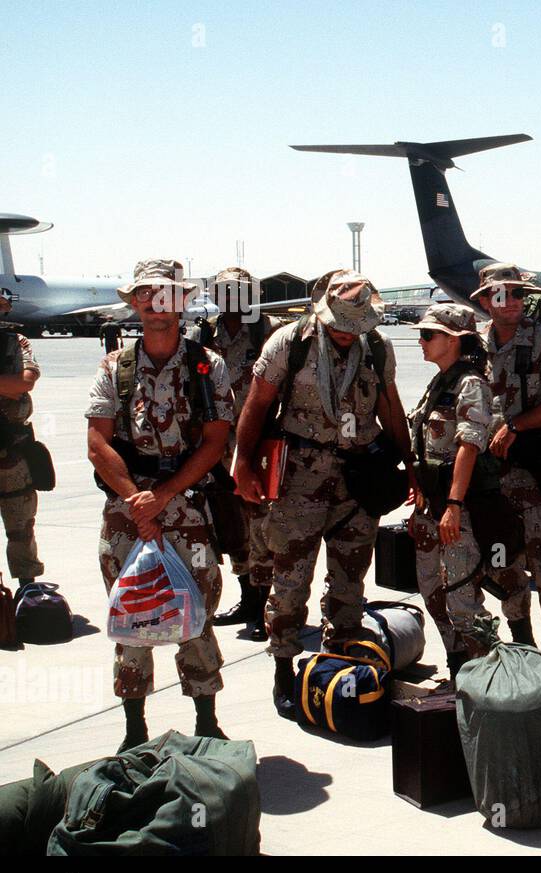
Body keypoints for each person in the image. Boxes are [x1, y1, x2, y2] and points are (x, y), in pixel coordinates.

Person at [233, 269, 413, 717]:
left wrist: (408, 463)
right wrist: (243, 464)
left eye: (357, 326)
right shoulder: (289, 342)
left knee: (351, 575)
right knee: (291, 576)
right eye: (341, 325)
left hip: (360, 476)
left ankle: (340, 656)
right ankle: (282, 664)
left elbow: (391, 407)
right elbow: (258, 403)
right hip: (300, 478)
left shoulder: (375, 346)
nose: (348, 334)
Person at [87, 259, 233, 750]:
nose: (157, 306)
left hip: (186, 507)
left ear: (183, 303)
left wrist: (165, 496)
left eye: (169, 296)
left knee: (196, 616)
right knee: (132, 615)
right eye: (147, 296)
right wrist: (137, 500)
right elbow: (97, 444)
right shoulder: (113, 368)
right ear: (134, 303)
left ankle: (206, 722)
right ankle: (135, 730)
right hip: (129, 514)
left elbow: (215, 443)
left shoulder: (207, 366)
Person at [471, 262, 541, 645]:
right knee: (503, 566)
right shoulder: (473, 344)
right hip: (490, 476)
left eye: (519, 293)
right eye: (503, 294)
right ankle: (524, 646)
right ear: (486, 301)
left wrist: (516, 425)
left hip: (533, 472)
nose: (514, 301)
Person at [187, 267, 283, 640]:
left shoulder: (267, 330)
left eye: (238, 291)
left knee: (262, 525)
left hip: (256, 443)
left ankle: (263, 606)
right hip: (214, 445)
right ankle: (246, 599)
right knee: (229, 524)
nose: (230, 298)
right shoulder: (203, 334)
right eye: (223, 291)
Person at [406, 303, 495, 678]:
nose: (422, 342)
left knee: (462, 599)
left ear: (454, 339)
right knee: (433, 592)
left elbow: (469, 445)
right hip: (432, 507)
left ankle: (487, 675)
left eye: (429, 335)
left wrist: (454, 504)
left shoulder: (470, 384)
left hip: (457, 510)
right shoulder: (439, 383)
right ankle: (459, 666)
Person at [0, 294, 44, 592]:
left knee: (21, 525)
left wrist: (13, 386)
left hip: (11, 450)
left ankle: (27, 587)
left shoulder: (17, 342)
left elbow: (25, 382)